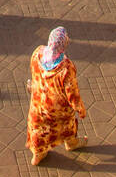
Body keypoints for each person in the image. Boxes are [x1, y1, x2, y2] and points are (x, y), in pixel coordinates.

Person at [26, 27, 87, 165]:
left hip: (38, 104)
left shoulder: (37, 54)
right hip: (58, 109)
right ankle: (71, 143)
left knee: (38, 130)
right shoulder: (65, 68)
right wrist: (80, 109)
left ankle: (38, 155)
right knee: (66, 126)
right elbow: (72, 93)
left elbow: (34, 74)